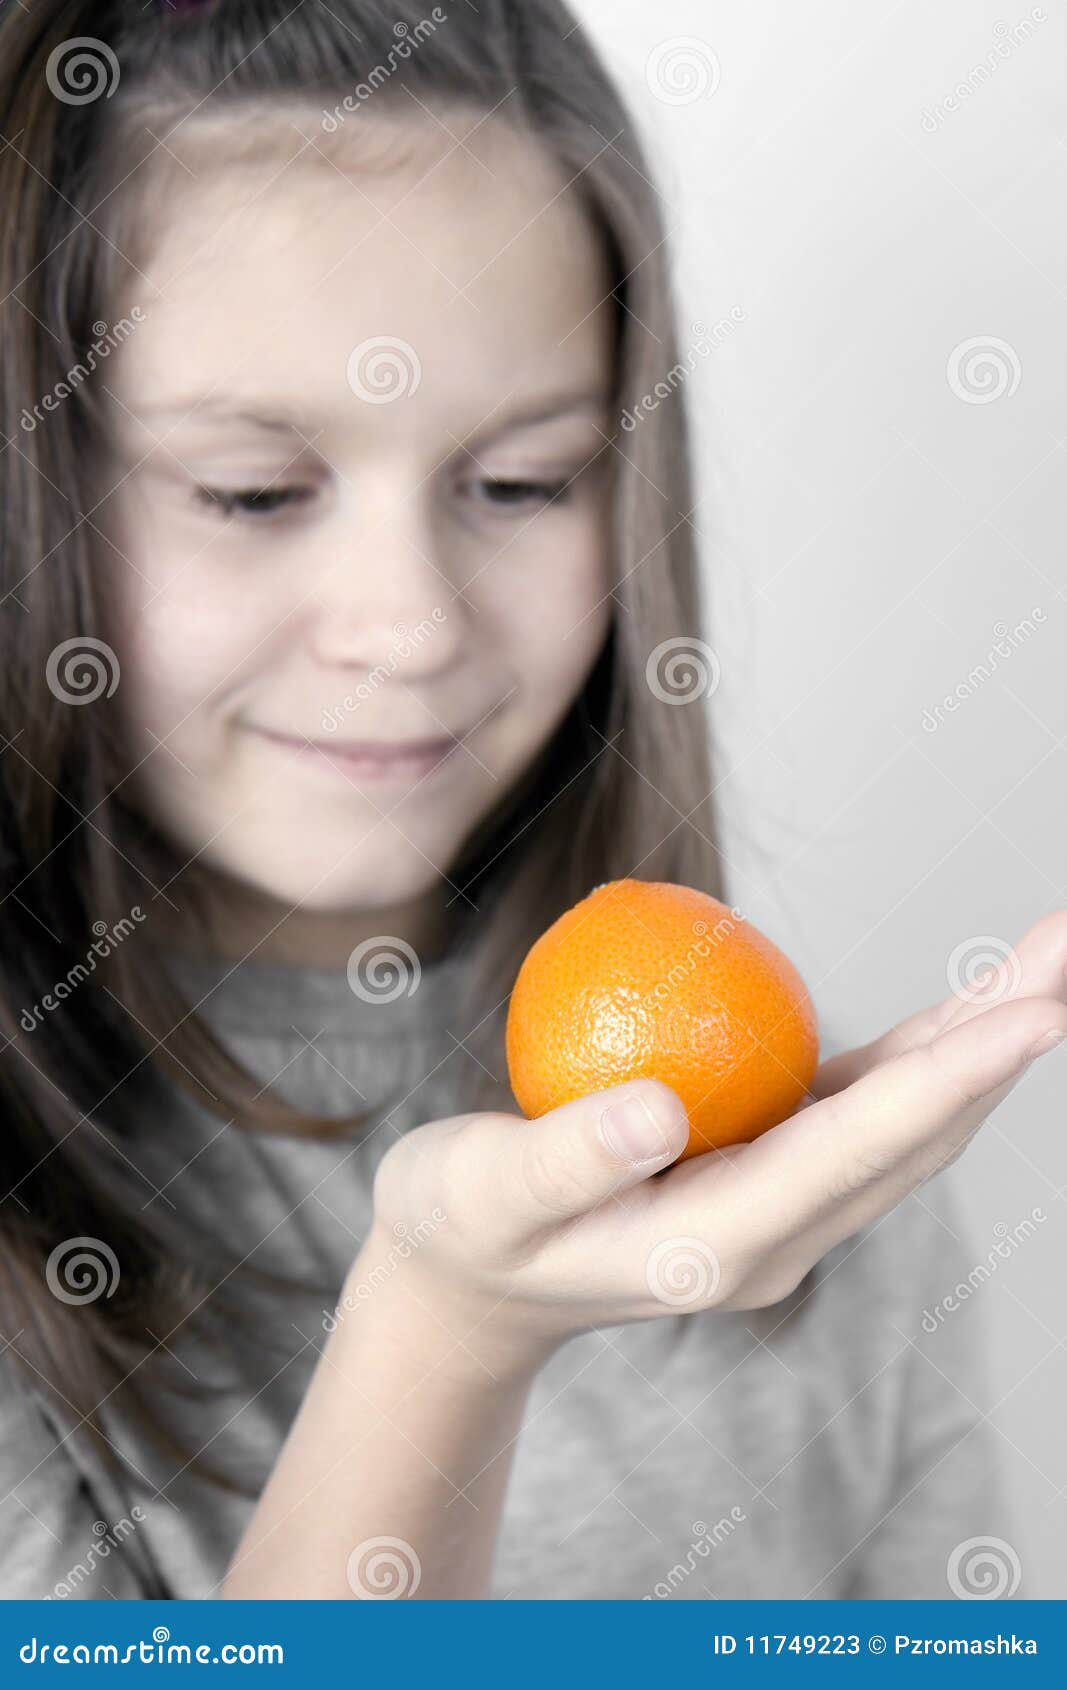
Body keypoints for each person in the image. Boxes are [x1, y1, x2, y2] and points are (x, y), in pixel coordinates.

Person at [0, 0, 1062, 1602]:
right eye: (252, 491)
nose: (409, 623)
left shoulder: (813, 1189)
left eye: (520, 481)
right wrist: (449, 1336)